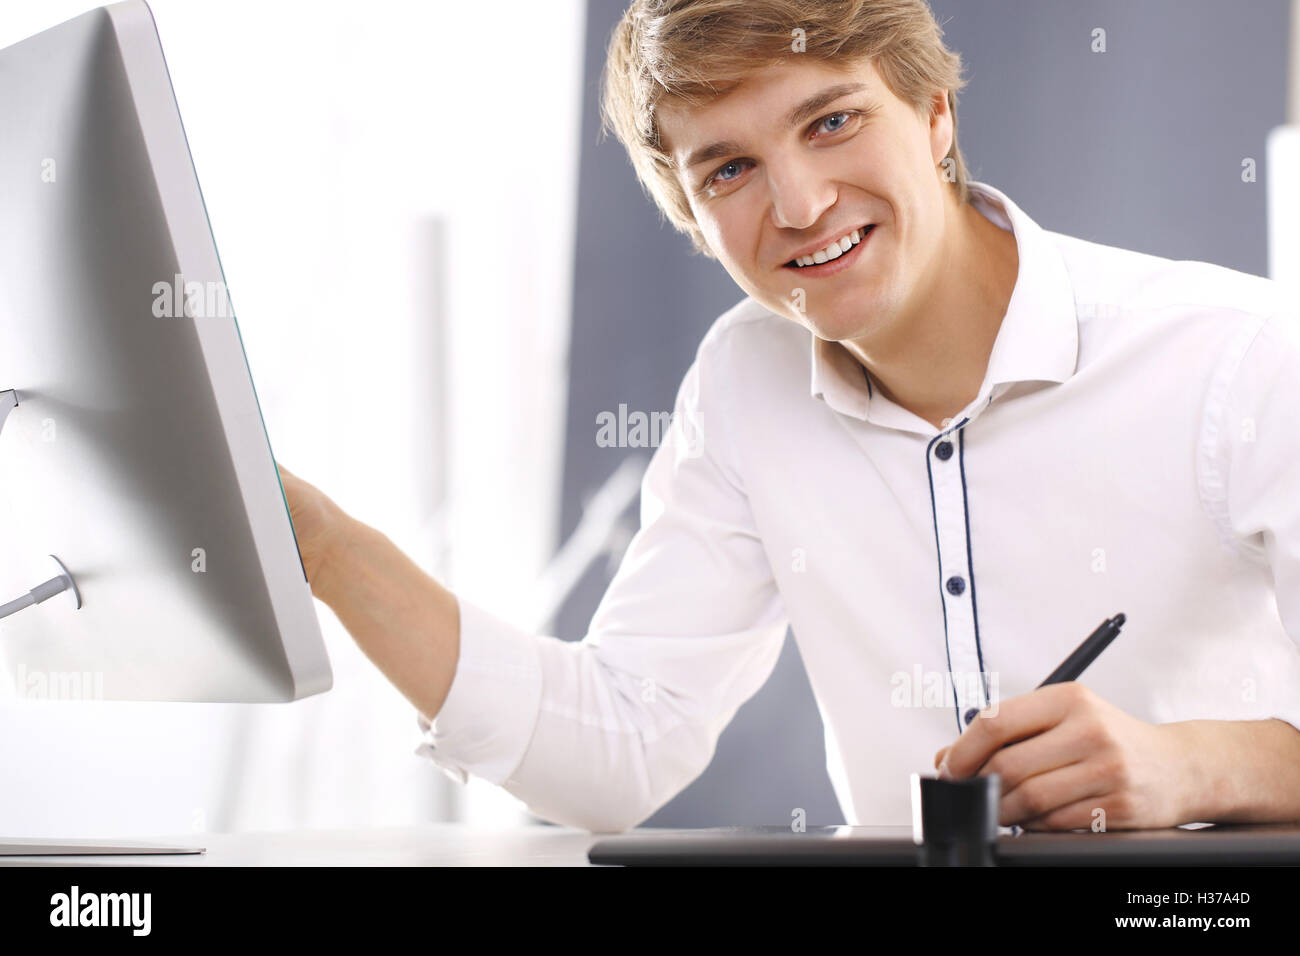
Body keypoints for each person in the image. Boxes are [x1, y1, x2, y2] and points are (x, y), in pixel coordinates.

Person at [277, 0, 1300, 832]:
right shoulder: (742, 382)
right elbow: (615, 746)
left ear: (935, 114)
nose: (801, 203)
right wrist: (324, 548)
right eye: (728, 168)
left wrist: (1190, 766)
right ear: (692, 221)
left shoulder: (1240, 353)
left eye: (831, 120)